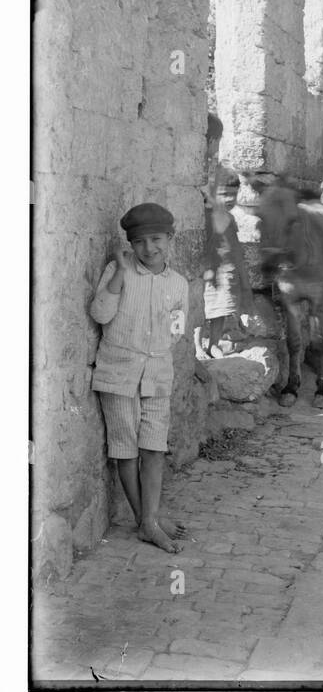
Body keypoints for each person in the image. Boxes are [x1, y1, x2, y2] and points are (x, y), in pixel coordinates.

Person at [89, 203, 189, 553]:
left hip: (158, 375)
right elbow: (101, 314)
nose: (150, 248)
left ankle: (150, 519)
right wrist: (117, 272)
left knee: (154, 448)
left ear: (170, 239)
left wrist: (156, 346)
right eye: (141, 242)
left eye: (157, 239)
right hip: (118, 373)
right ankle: (146, 522)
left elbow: (176, 330)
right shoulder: (119, 271)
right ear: (131, 244)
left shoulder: (177, 284)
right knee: (126, 448)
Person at [202, 167, 253, 358]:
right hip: (210, 270)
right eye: (225, 194)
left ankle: (213, 343)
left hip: (226, 270)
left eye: (234, 194)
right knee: (203, 308)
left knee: (220, 309)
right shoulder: (205, 216)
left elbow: (235, 246)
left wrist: (242, 275)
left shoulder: (230, 218)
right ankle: (197, 343)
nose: (230, 199)